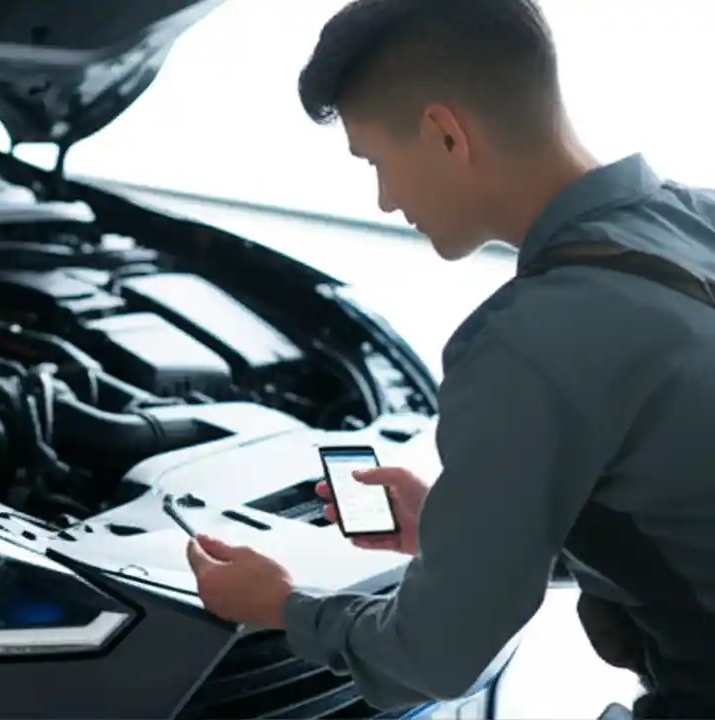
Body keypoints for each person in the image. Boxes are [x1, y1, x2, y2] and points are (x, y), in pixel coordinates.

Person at [184, 0, 715, 717]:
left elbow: (431, 661)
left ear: (443, 133)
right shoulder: (699, 219)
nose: (382, 199)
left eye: (375, 161)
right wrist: (467, 527)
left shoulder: (526, 343)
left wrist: (282, 605)